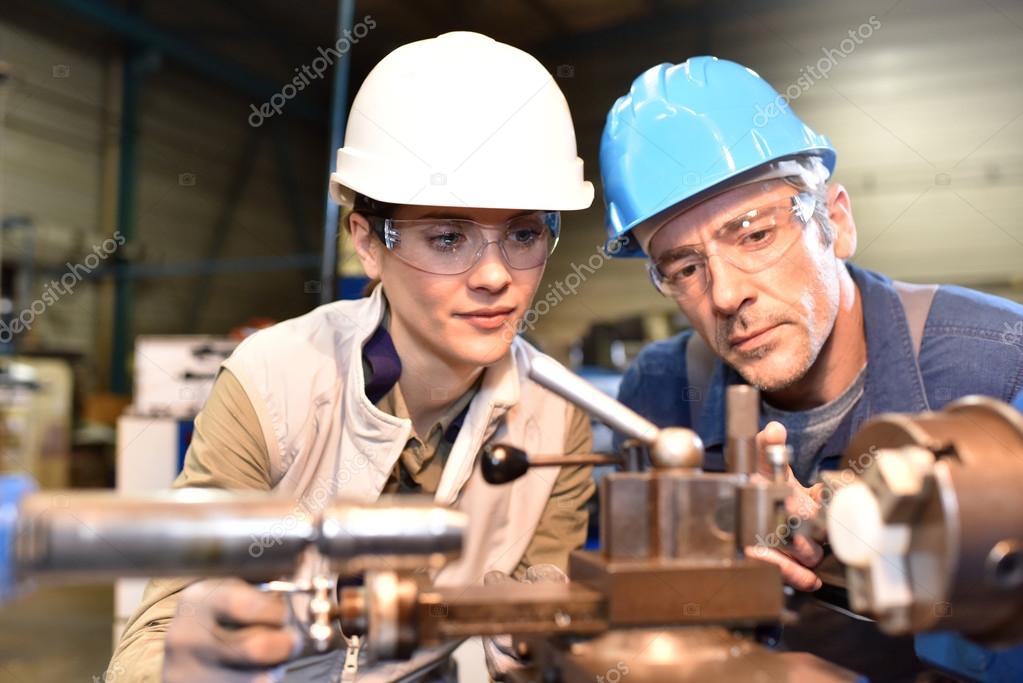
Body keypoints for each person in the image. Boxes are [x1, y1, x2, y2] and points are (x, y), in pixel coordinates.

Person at [110, 31, 596, 682]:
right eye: (447, 237)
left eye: (524, 233)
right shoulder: (273, 382)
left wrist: (537, 638)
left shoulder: (558, 416)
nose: (493, 276)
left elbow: (544, 598)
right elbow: (163, 625)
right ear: (367, 242)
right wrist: (184, 666)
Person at [599, 56, 1023, 678]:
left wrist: (881, 553)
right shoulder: (660, 394)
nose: (725, 296)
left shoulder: (1000, 367)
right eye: (685, 268)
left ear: (836, 222)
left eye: (753, 235)